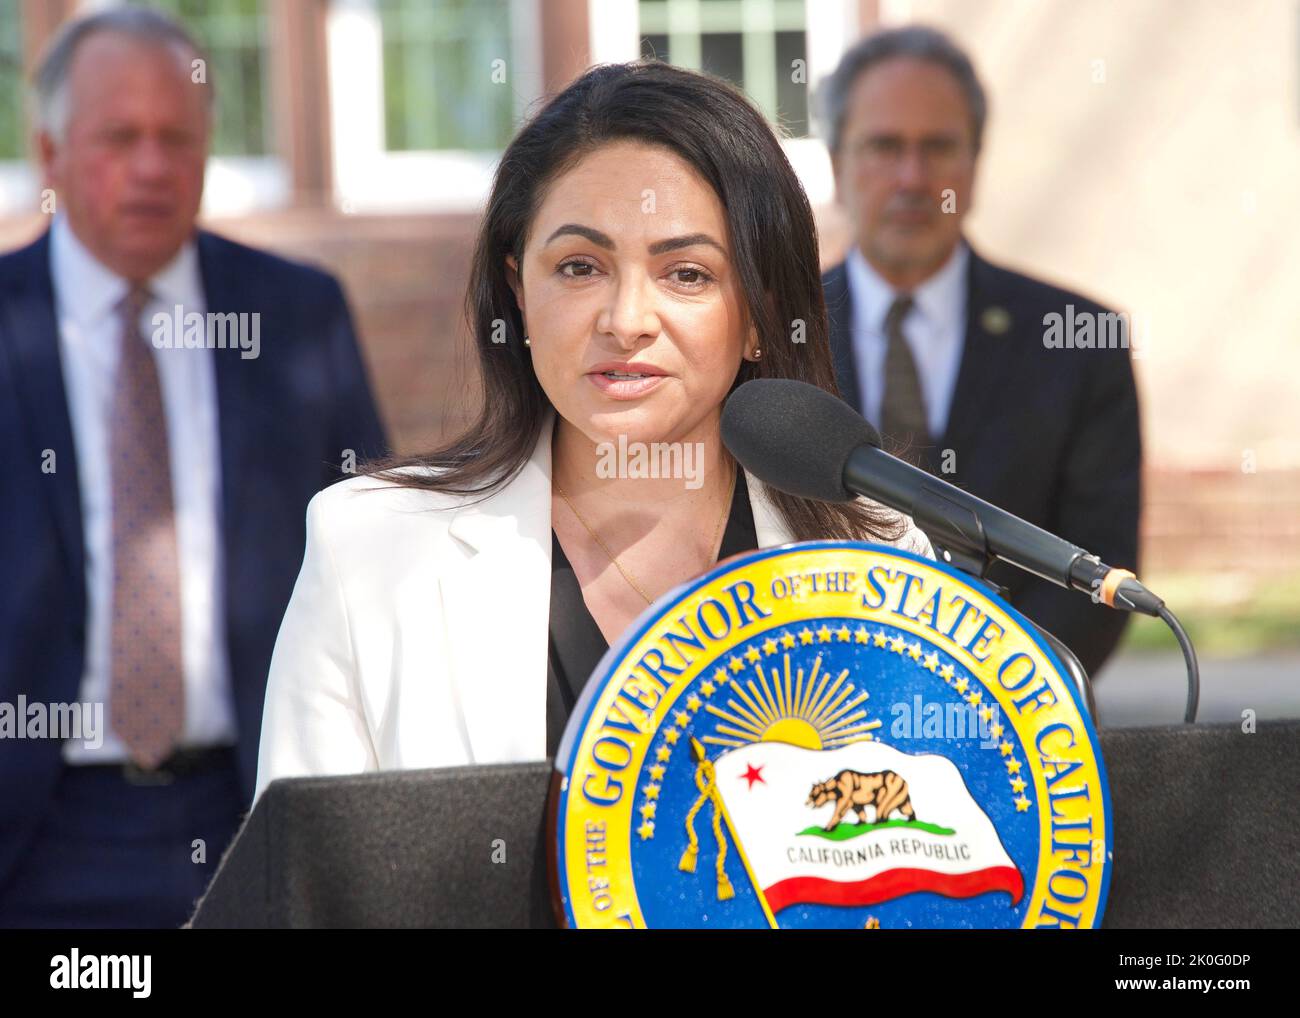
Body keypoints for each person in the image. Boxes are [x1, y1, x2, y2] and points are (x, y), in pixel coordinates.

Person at [254, 61, 933, 804]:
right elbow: (303, 888)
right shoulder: (369, 549)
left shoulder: (878, 555)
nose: (626, 320)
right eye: (580, 267)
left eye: (687, 274)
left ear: (760, 317)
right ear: (518, 291)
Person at [0, 8, 386, 928]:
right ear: (50, 154)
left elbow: (373, 557)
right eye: (119, 138)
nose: (150, 166)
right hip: (37, 828)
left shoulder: (296, 315)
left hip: (255, 805)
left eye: (177, 137)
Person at [816, 26, 1141, 678]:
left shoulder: (1079, 339)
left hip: (1018, 723)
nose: (912, 177)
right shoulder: (772, 334)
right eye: (884, 146)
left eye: (938, 147)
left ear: (974, 163)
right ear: (837, 166)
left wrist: (983, 692)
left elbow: (1099, 572)